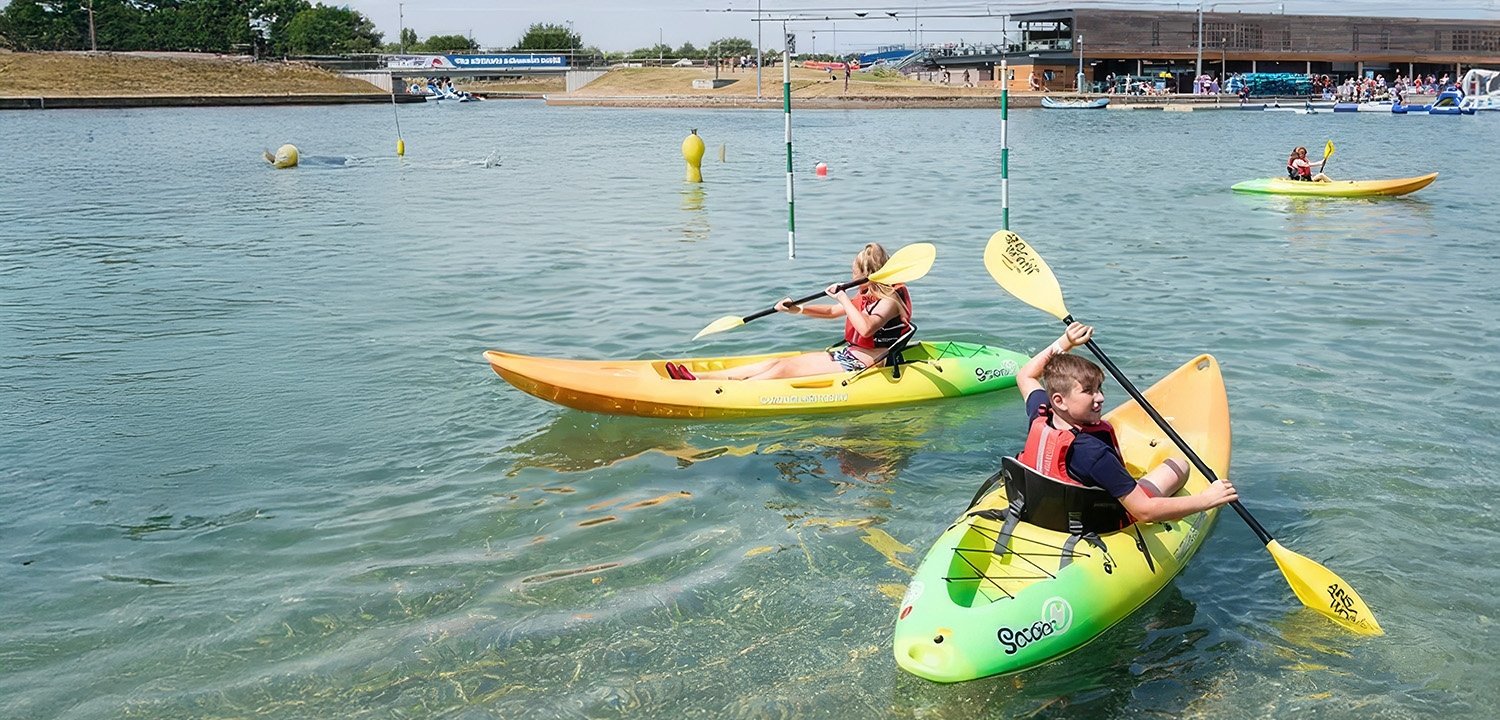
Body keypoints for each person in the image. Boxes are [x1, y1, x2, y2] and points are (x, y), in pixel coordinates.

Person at [1013, 322, 1239, 523]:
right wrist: (1208, 499)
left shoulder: (1042, 413)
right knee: (1178, 466)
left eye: (1099, 389)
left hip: (1047, 507)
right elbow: (1144, 512)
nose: (1100, 397)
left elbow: (1025, 375)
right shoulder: (1094, 454)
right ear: (1060, 400)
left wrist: (1066, 342)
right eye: (1088, 391)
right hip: (1099, 515)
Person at [671, 243, 915, 381]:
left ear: (868, 273)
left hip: (865, 364)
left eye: (855, 274)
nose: (852, 278)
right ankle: (699, 378)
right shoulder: (865, 295)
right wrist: (797, 310)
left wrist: (842, 295)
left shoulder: (890, 300)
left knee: (783, 371)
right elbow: (832, 312)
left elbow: (865, 327)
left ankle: (727, 392)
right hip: (848, 354)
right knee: (776, 362)